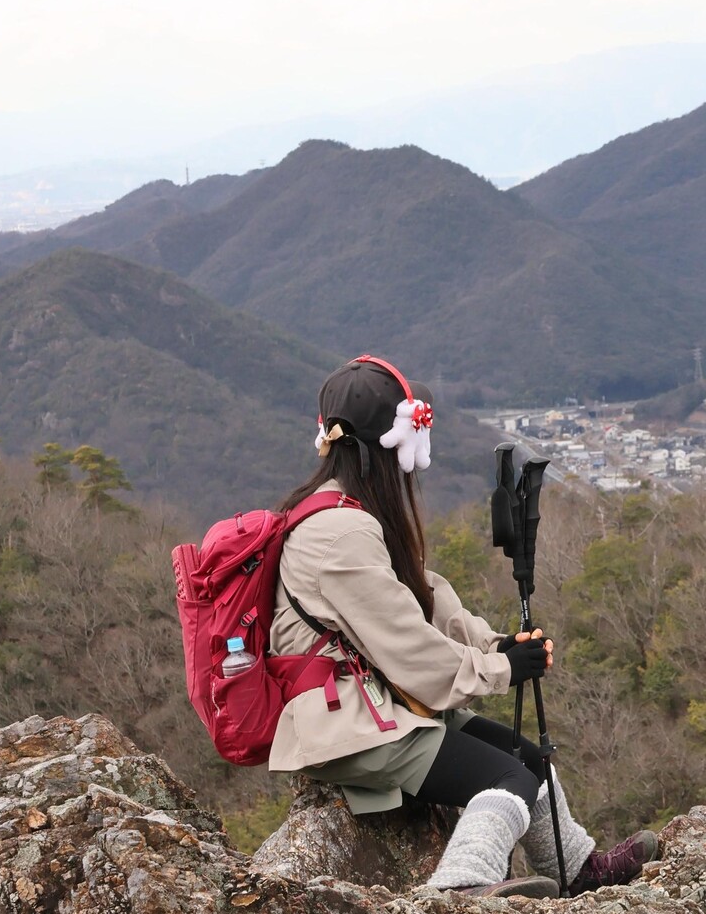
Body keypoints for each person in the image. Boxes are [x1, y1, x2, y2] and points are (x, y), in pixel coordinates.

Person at [265, 353, 658, 899]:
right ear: (383, 448)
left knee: (527, 758)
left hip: (376, 701)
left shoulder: (347, 512)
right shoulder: (340, 535)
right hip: (347, 723)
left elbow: (424, 597)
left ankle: (578, 869)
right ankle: (460, 888)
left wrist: (495, 645)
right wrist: (499, 670)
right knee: (510, 779)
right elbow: (410, 648)